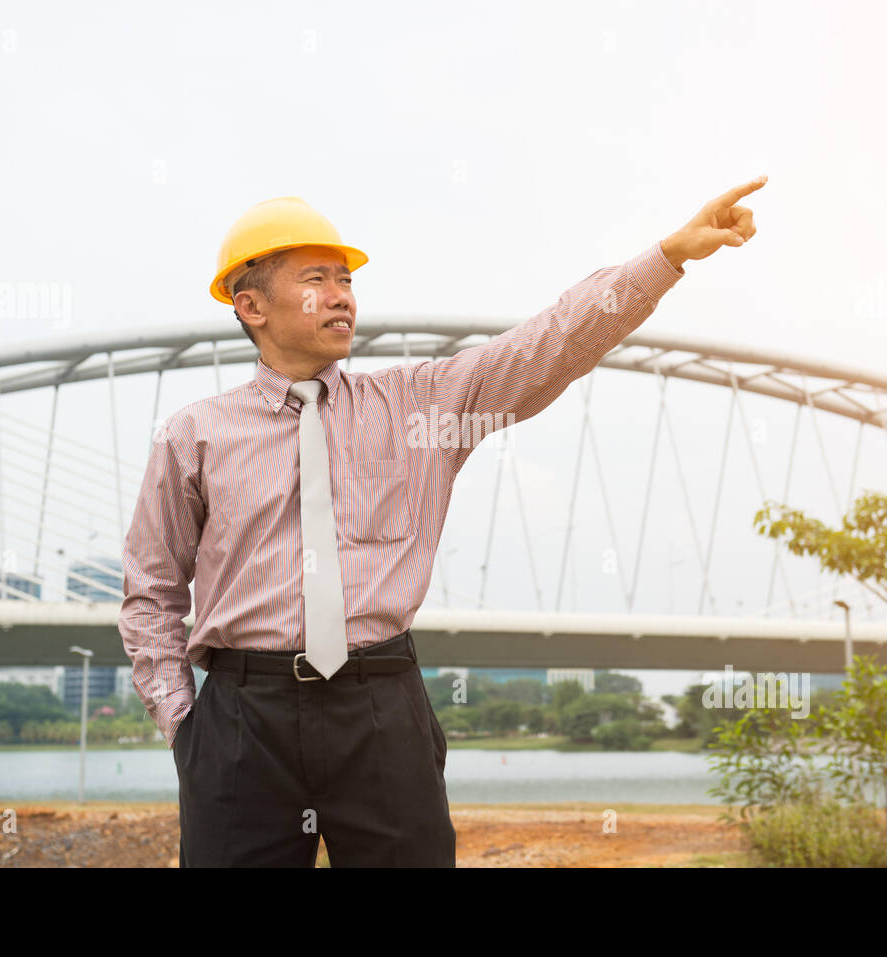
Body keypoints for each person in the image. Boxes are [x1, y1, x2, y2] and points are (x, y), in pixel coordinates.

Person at [119, 179, 766, 867]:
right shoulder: (193, 434)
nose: (343, 295)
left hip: (381, 709)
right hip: (243, 721)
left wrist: (666, 256)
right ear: (251, 306)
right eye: (317, 280)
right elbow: (152, 590)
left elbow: (545, 345)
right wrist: (184, 726)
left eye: (346, 280)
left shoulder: (420, 407)